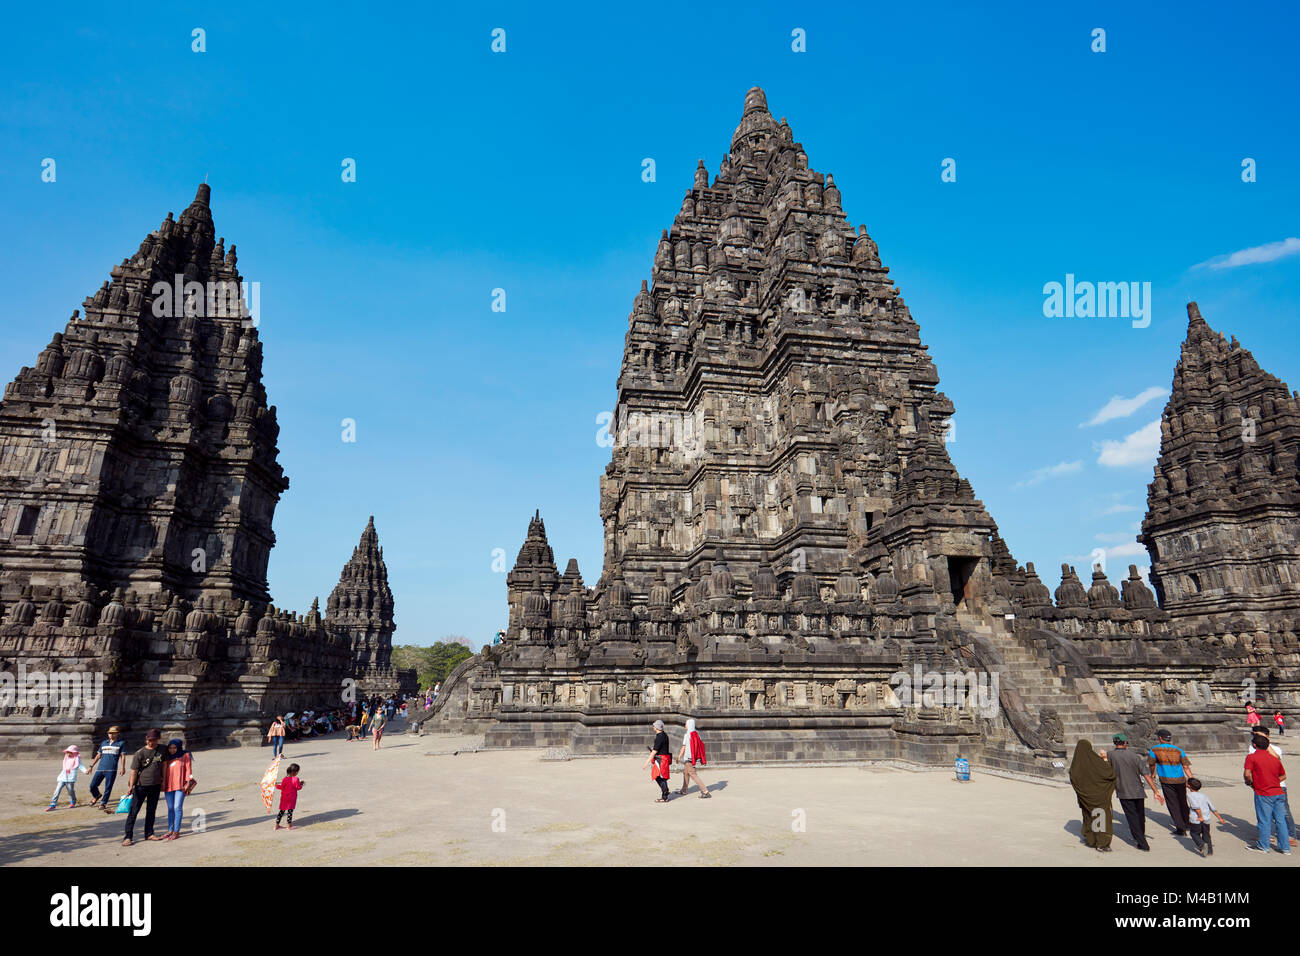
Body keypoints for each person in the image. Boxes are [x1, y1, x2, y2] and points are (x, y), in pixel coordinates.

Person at [1108, 733, 1161, 851]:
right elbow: (1146, 775)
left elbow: (1107, 771)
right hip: (1138, 790)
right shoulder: (1135, 756)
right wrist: (1155, 791)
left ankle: (1142, 843)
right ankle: (1141, 835)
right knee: (1140, 815)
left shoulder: (1110, 755)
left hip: (1124, 790)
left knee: (1132, 817)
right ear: (1125, 743)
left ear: (1114, 743)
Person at [1248, 726, 1296, 846]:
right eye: (1254, 735)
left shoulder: (1276, 749)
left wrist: (1266, 744)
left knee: (1283, 813)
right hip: (1261, 786)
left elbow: (1276, 759)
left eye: (1257, 735)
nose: (1255, 737)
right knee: (1263, 812)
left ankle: (1291, 835)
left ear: (1267, 736)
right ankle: (1266, 835)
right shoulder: (1252, 748)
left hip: (1278, 785)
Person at [1069, 740, 1116, 852]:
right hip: (1100, 797)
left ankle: (1091, 839)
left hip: (1085, 798)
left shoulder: (1075, 766)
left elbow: (1074, 781)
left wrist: (1082, 794)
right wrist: (1105, 759)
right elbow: (1110, 773)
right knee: (1100, 818)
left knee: (1088, 817)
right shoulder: (1096, 761)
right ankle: (1102, 843)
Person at [123, 729, 165, 846]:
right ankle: (128, 836)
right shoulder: (140, 753)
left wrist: (164, 781)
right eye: (149, 740)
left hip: (155, 785)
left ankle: (149, 833)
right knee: (134, 811)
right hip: (140, 786)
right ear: (146, 740)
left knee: (151, 811)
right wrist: (131, 786)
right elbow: (133, 771)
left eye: (154, 740)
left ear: (158, 739)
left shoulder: (162, 749)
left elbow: (164, 765)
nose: (151, 742)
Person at [1148, 729, 1192, 836]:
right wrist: (1191, 779)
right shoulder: (1178, 750)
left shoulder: (1154, 749)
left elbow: (1151, 764)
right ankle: (1187, 824)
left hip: (1166, 780)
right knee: (1183, 802)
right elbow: (1186, 767)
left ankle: (1181, 829)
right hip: (1180, 780)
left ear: (1160, 738)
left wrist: (1152, 774)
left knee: (1173, 804)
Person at [161, 738, 195, 841]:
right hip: (168, 786)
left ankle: (176, 831)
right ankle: (170, 830)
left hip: (181, 785)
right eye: (170, 748)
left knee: (177, 808)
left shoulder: (185, 755)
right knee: (170, 808)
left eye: (174, 748)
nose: (172, 750)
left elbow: (189, 770)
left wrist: (188, 781)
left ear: (179, 747)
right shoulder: (166, 757)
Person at [88, 727, 127, 812]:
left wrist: (123, 768)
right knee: (92, 785)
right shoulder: (104, 743)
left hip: (112, 769)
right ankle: (97, 795)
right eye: (110, 733)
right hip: (100, 768)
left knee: (108, 787)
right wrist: (91, 766)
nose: (111, 735)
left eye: (113, 733)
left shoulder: (121, 743)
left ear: (117, 733)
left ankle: (103, 803)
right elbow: (98, 755)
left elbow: (123, 756)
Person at [1185, 778, 1225, 857]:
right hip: (1207, 819)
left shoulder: (1190, 795)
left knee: (1194, 833)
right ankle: (1209, 851)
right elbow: (1212, 807)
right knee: (1206, 835)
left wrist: (1200, 817)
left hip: (1197, 819)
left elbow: (1196, 807)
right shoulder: (1204, 795)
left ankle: (1202, 844)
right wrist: (1220, 818)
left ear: (1189, 786)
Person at [47, 745, 90, 810]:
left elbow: (80, 766)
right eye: (67, 752)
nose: (68, 754)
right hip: (63, 777)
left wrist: (85, 771)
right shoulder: (66, 758)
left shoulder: (76, 758)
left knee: (70, 791)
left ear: (74, 753)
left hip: (70, 778)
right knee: (57, 790)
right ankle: (53, 804)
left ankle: (73, 802)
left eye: (70, 752)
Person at [675, 718, 710, 798]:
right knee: (686, 773)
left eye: (686, 724)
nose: (685, 725)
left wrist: (679, 757)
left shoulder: (687, 735)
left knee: (693, 774)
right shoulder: (696, 734)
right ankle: (684, 790)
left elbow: (683, 747)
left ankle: (705, 791)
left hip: (688, 758)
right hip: (693, 757)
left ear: (689, 725)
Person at [641, 719, 673, 803]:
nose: (653, 727)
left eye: (654, 726)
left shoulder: (659, 737)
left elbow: (654, 751)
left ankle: (665, 795)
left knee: (658, 776)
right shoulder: (664, 735)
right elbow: (659, 747)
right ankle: (665, 791)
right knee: (660, 776)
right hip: (664, 758)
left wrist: (646, 763)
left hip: (661, 759)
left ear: (657, 727)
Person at [274, 763, 304, 830]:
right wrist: (301, 784)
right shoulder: (296, 779)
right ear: (296, 772)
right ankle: (289, 826)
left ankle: (276, 826)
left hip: (284, 798)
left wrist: (276, 785)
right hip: (291, 798)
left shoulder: (285, 779)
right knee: (290, 811)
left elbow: (282, 787)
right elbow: (298, 788)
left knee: (281, 811)